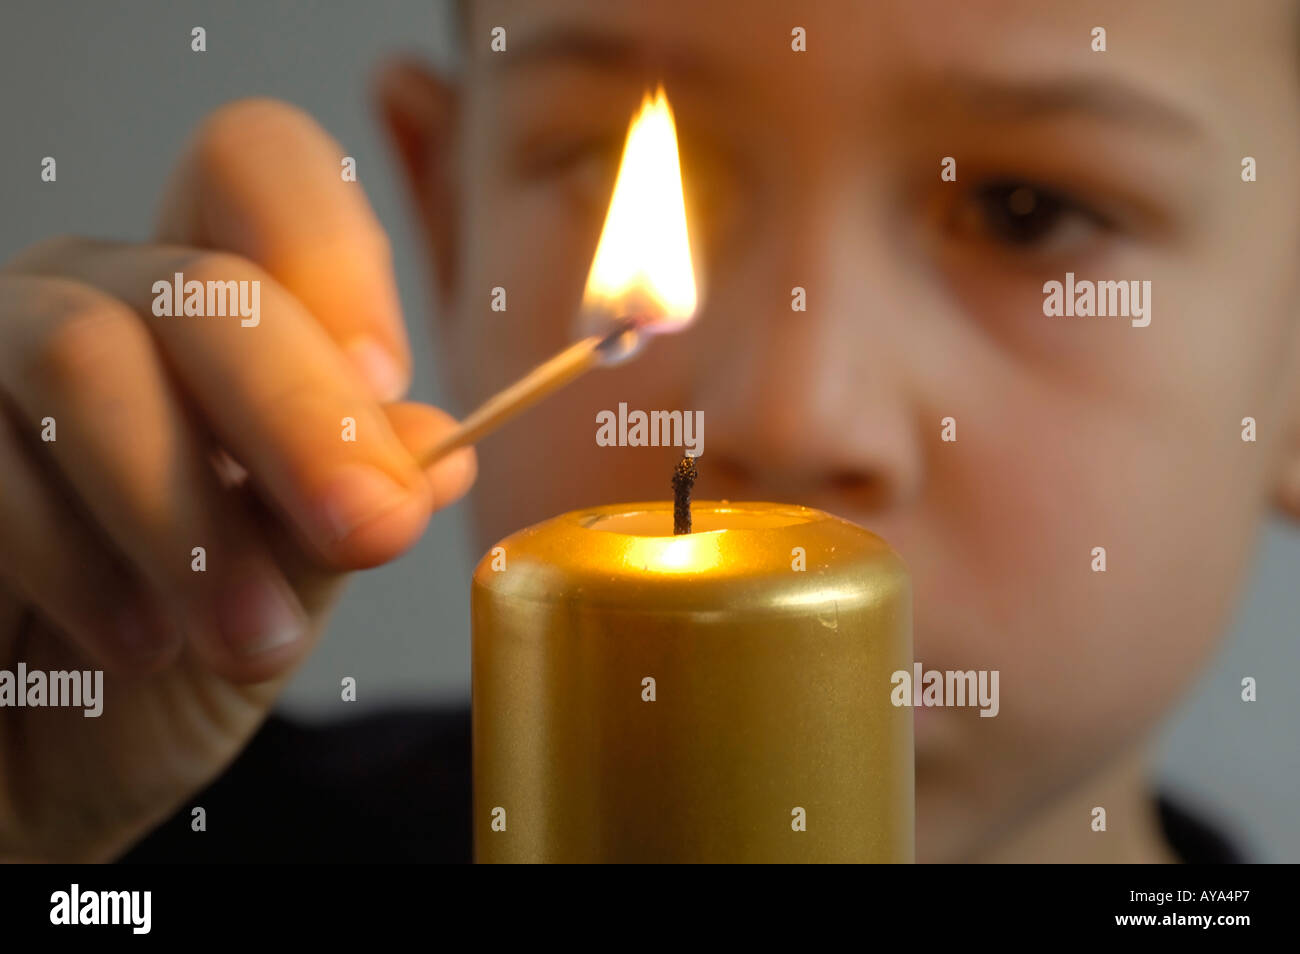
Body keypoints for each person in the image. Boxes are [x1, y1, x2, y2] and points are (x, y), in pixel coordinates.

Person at [2, 0, 1294, 864]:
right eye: (607, 151)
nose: (786, 417)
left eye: (1028, 208)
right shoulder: (139, 833)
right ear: (445, 234)